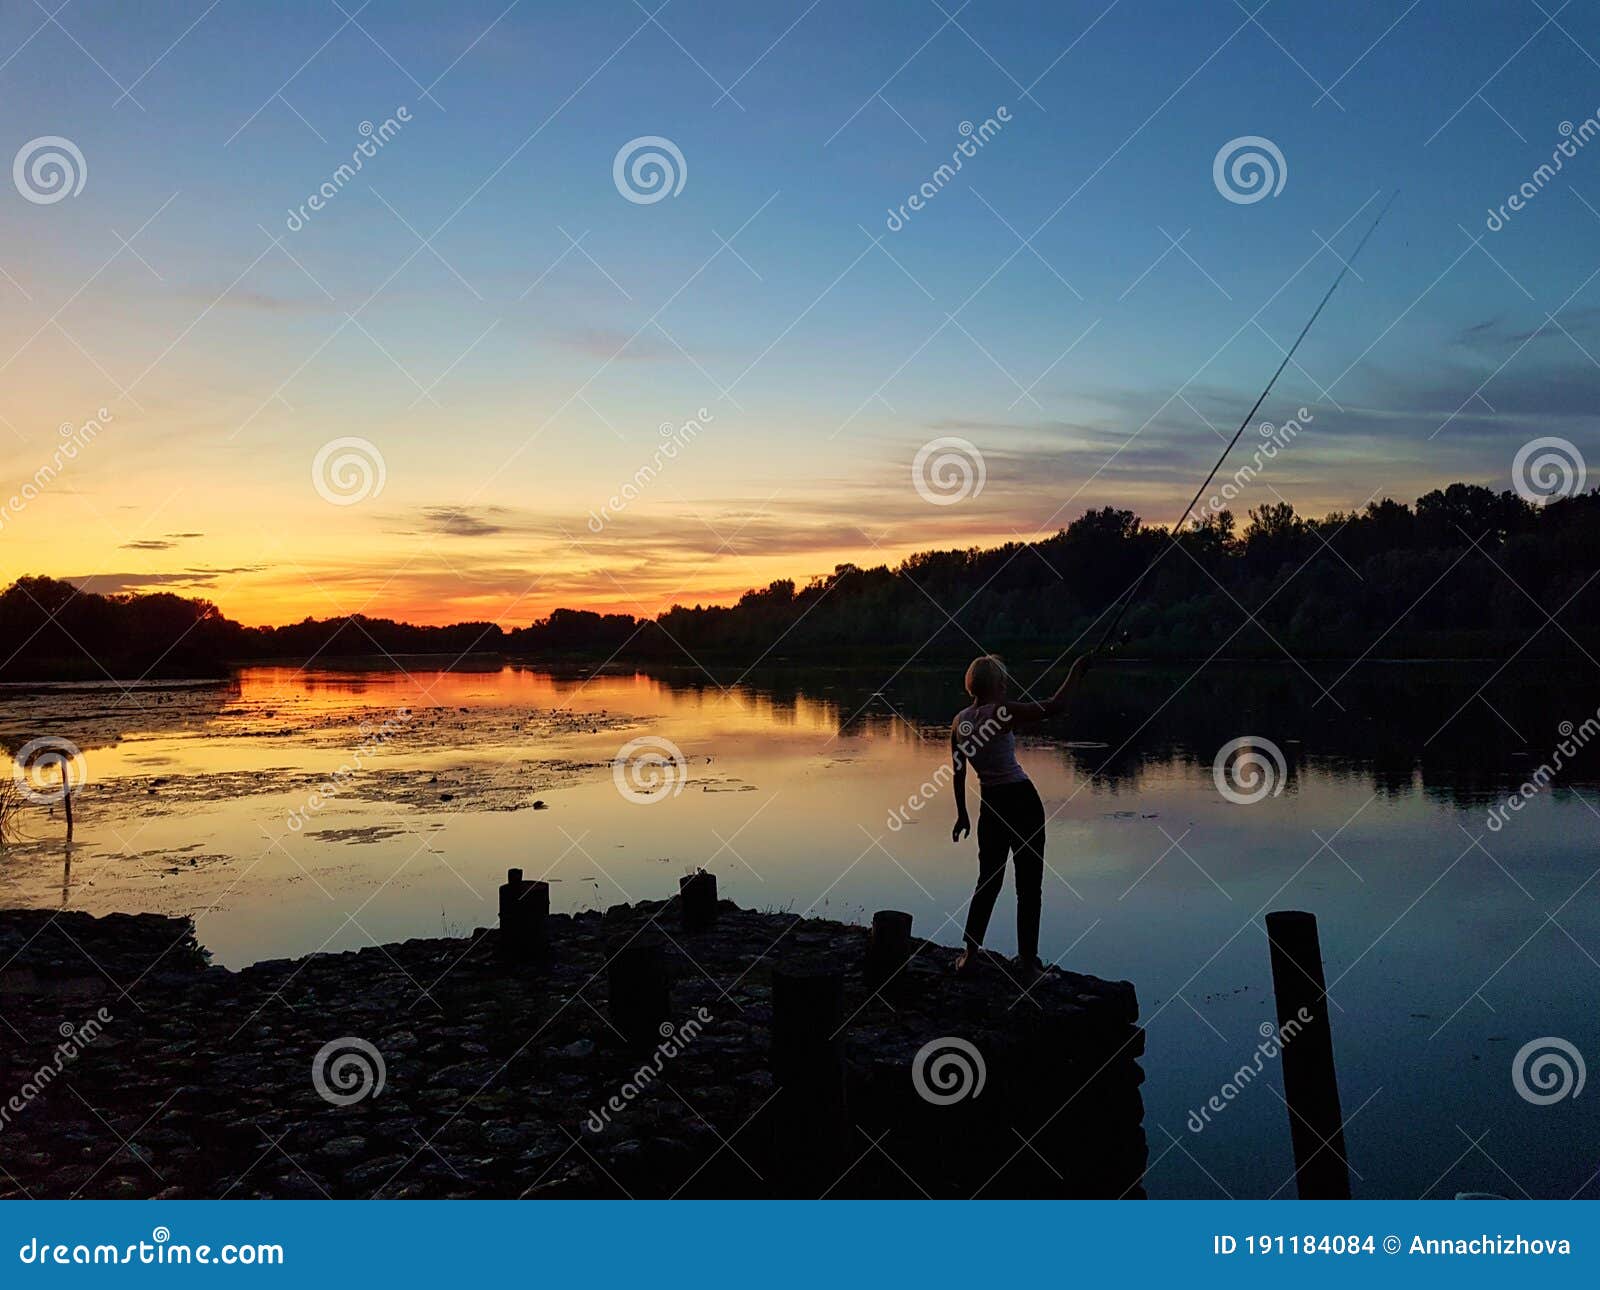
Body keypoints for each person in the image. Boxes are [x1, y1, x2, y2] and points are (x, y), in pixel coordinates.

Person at [951, 652, 1090, 977]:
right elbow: (1055, 706)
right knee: (1028, 885)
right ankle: (1027, 962)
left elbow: (958, 772)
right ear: (997, 684)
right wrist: (1076, 672)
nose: (1007, 685)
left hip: (990, 804)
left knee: (988, 880)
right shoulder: (1002, 711)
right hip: (1021, 801)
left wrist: (962, 814)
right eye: (1004, 680)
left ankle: (970, 954)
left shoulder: (959, 721)